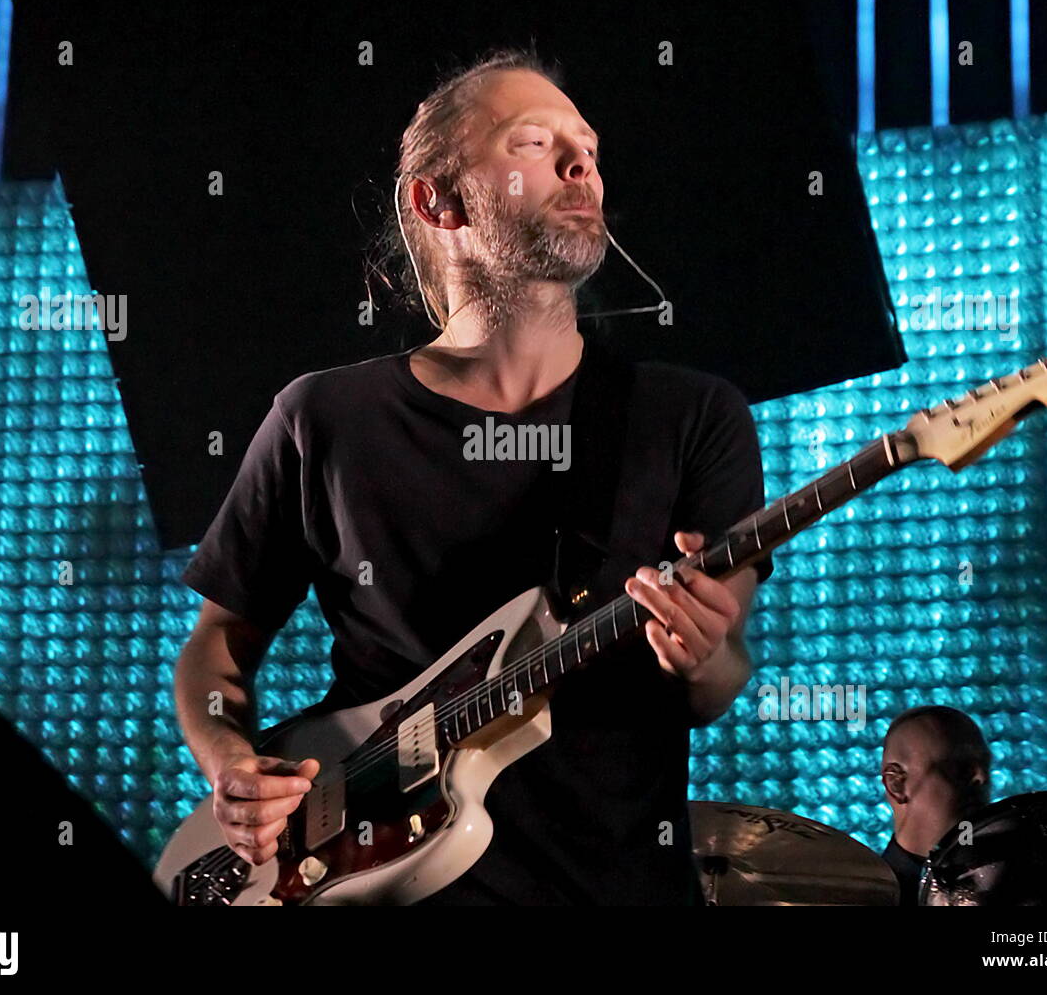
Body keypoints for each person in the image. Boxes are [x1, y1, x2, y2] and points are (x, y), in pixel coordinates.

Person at [173, 48, 772, 905]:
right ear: (438, 199)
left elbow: (717, 680)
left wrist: (704, 652)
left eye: (589, 147)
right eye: (532, 142)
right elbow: (216, 643)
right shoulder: (322, 418)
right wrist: (231, 763)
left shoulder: (690, 416)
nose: (580, 165)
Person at [879, 705, 992, 906]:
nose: (981, 778)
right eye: (960, 768)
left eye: (985, 766)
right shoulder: (869, 896)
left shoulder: (1015, 879)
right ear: (897, 784)